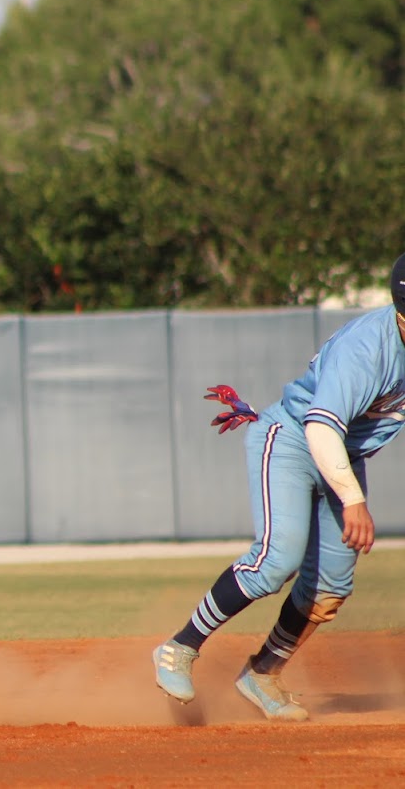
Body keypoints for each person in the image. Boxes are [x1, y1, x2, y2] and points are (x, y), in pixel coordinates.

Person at [153, 251, 405, 721]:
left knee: (330, 586)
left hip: (341, 457)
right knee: (276, 561)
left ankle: (263, 672)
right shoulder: (368, 349)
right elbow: (320, 426)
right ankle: (179, 648)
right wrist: (353, 500)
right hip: (292, 440)